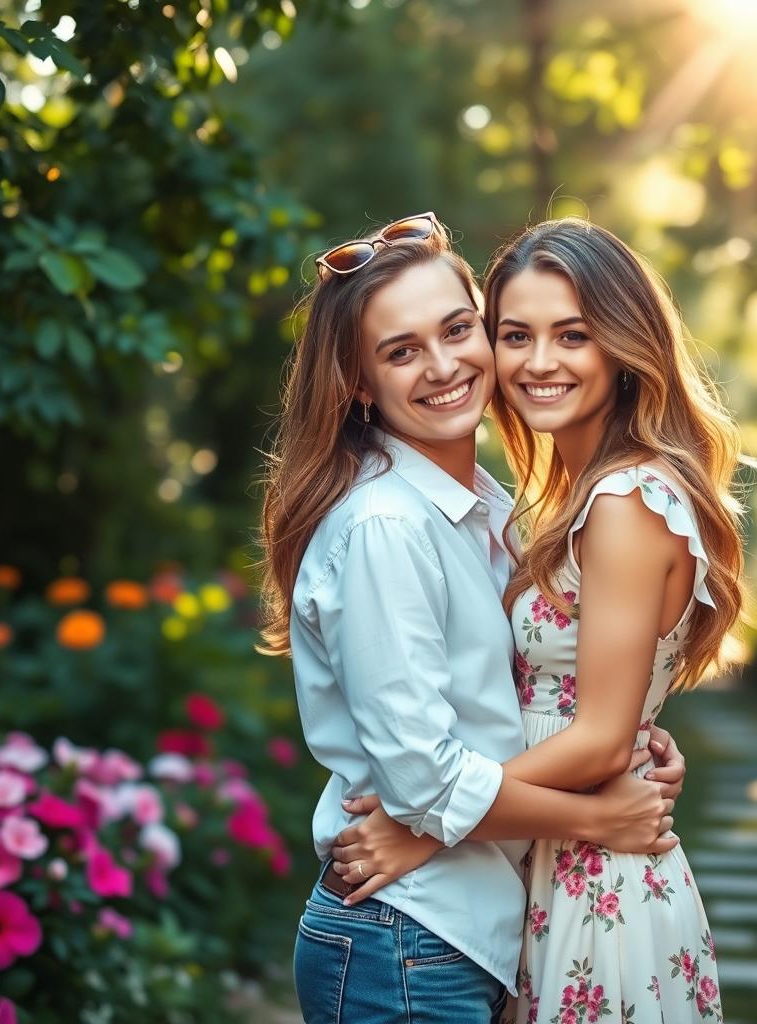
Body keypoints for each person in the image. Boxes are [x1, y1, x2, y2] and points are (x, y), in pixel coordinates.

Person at [258, 214, 688, 1024]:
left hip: (463, 933)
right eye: (401, 350)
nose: (444, 365)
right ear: (358, 381)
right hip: (406, 937)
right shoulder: (387, 526)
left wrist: (629, 740)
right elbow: (423, 782)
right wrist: (600, 815)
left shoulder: (487, 509)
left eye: (459, 330)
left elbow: (517, 701)